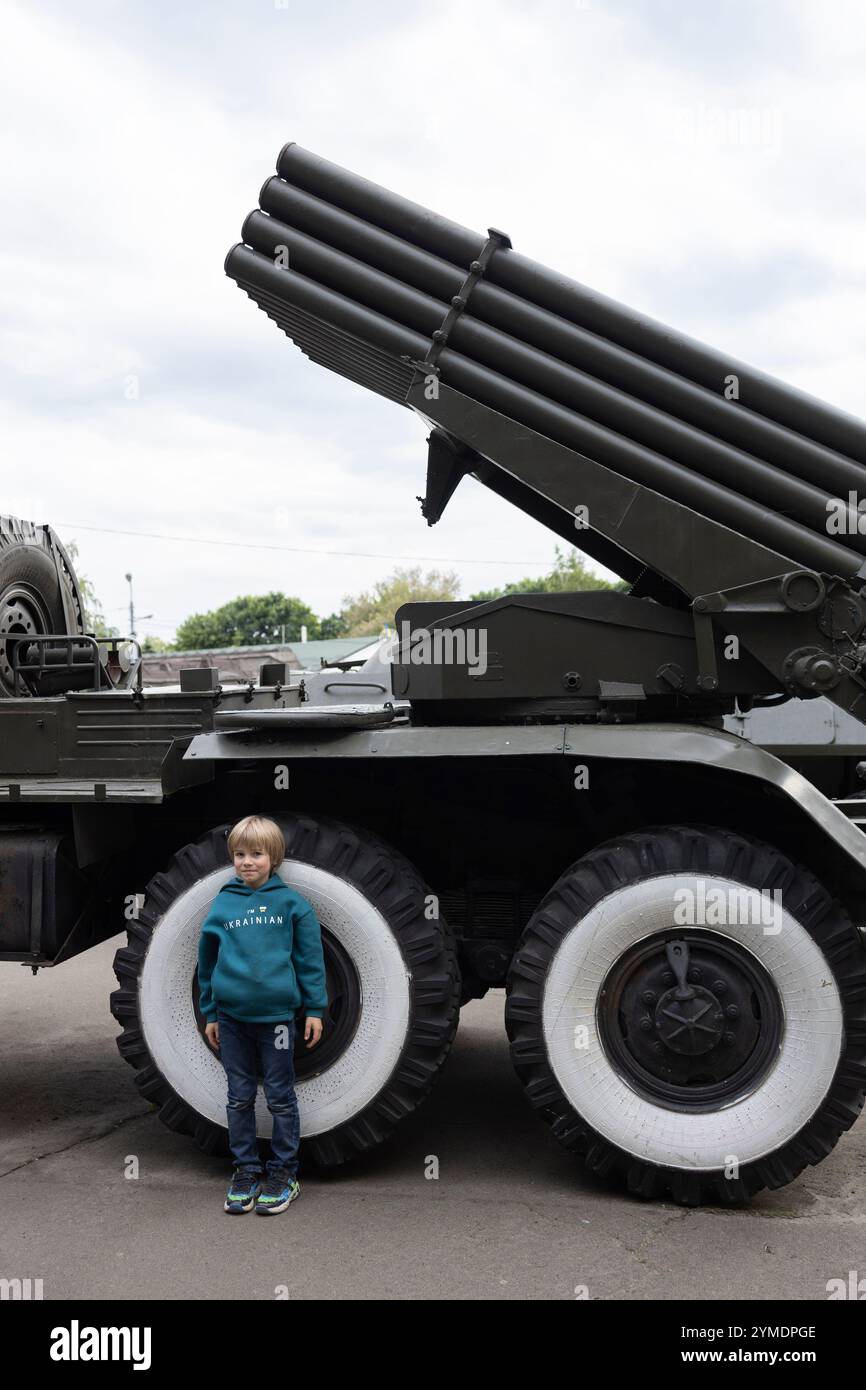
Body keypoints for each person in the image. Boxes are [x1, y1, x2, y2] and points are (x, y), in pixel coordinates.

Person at [196, 814, 327, 1215]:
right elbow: (207, 962)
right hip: (232, 1019)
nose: (246, 861)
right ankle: (246, 1171)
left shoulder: (291, 904)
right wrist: (210, 1012)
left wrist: (315, 1009)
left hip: (277, 1022)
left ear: (274, 858)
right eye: (239, 854)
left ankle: (283, 1173)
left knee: (280, 1097)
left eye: (256, 854)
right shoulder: (223, 903)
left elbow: (310, 961)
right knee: (238, 1098)